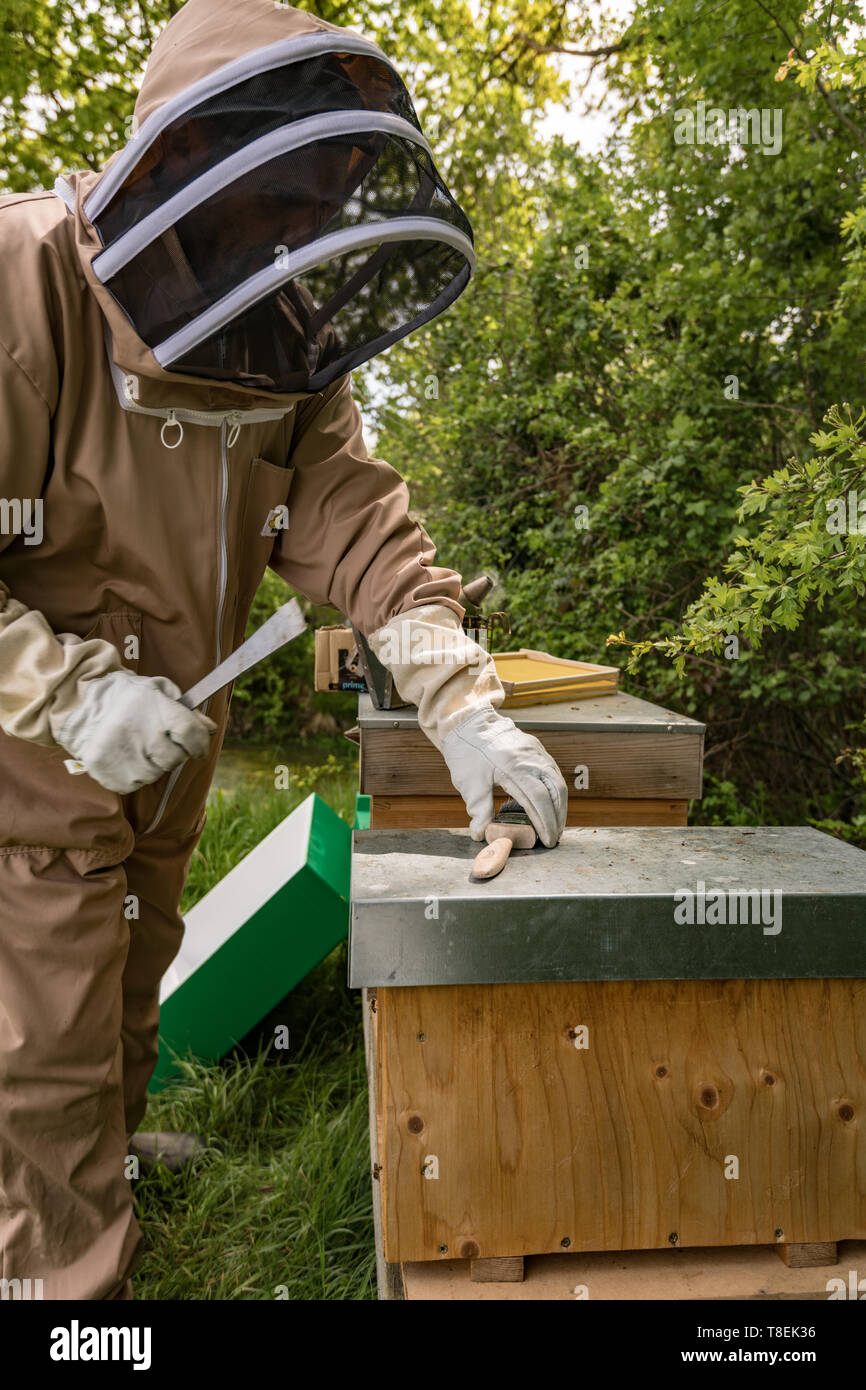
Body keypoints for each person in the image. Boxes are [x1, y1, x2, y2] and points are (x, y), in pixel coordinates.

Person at [0, 0, 567, 1300]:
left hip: (168, 741)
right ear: (196, 164)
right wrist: (70, 692)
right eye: (282, 199)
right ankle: (63, 1281)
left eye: (321, 200)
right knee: (41, 1027)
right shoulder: (21, 287)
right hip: (32, 754)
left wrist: (463, 703)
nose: (299, 232)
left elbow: (355, 523)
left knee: (135, 957)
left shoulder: (285, 345)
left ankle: (112, 1146)